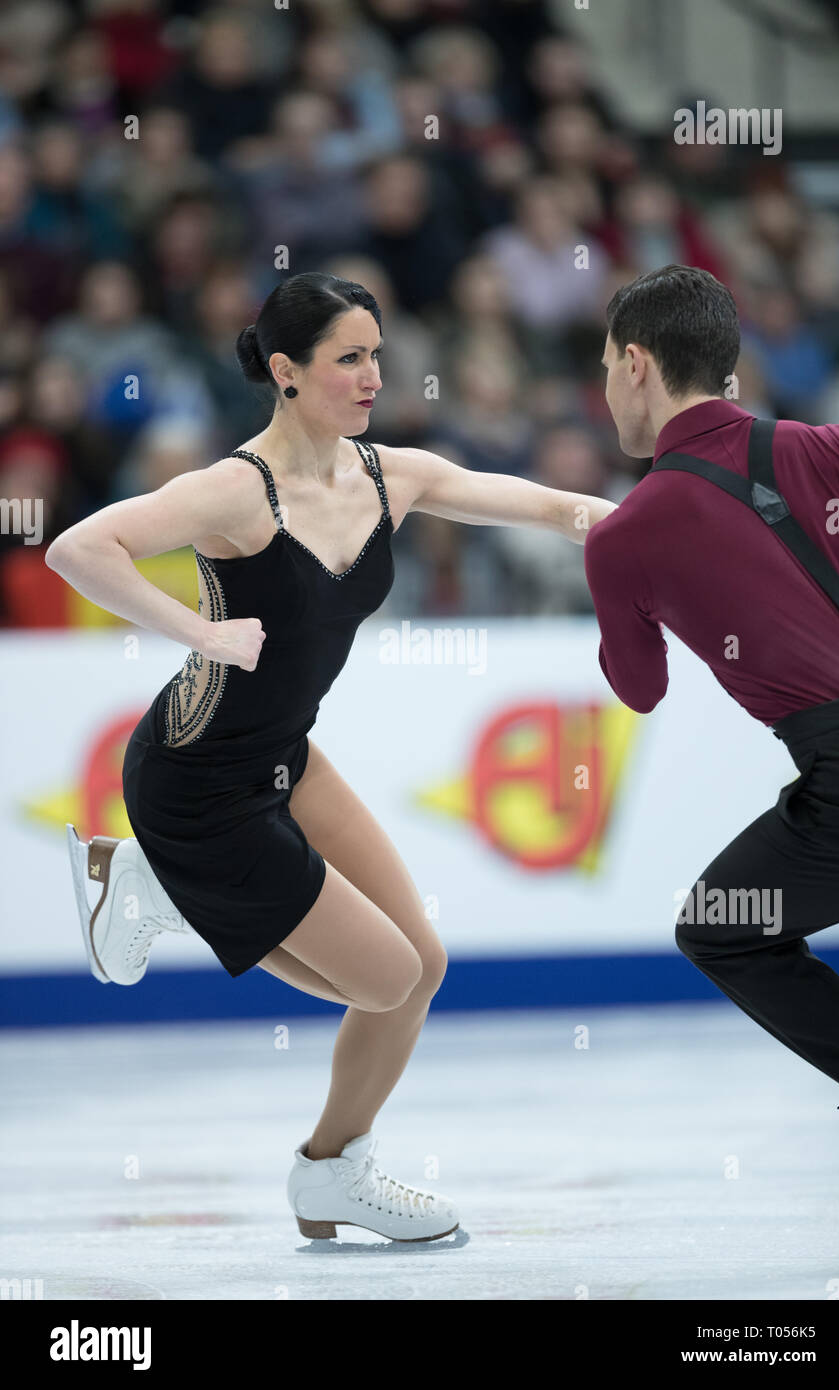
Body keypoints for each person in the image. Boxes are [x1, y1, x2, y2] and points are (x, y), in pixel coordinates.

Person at [45, 270, 618, 1243]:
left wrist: (625, 520)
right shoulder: (234, 487)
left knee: (419, 966)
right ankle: (152, 888)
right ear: (285, 371)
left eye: (375, 355)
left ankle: (331, 1172)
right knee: (387, 976)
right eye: (348, 357)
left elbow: (521, 501)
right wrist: (202, 629)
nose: (370, 375)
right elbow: (78, 548)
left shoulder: (391, 475)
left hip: (283, 756)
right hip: (197, 777)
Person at [584, 263, 839, 1136]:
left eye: (603, 368)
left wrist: (617, 587)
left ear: (637, 364)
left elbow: (640, 689)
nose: (604, 392)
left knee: (720, 928)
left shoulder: (626, 534)